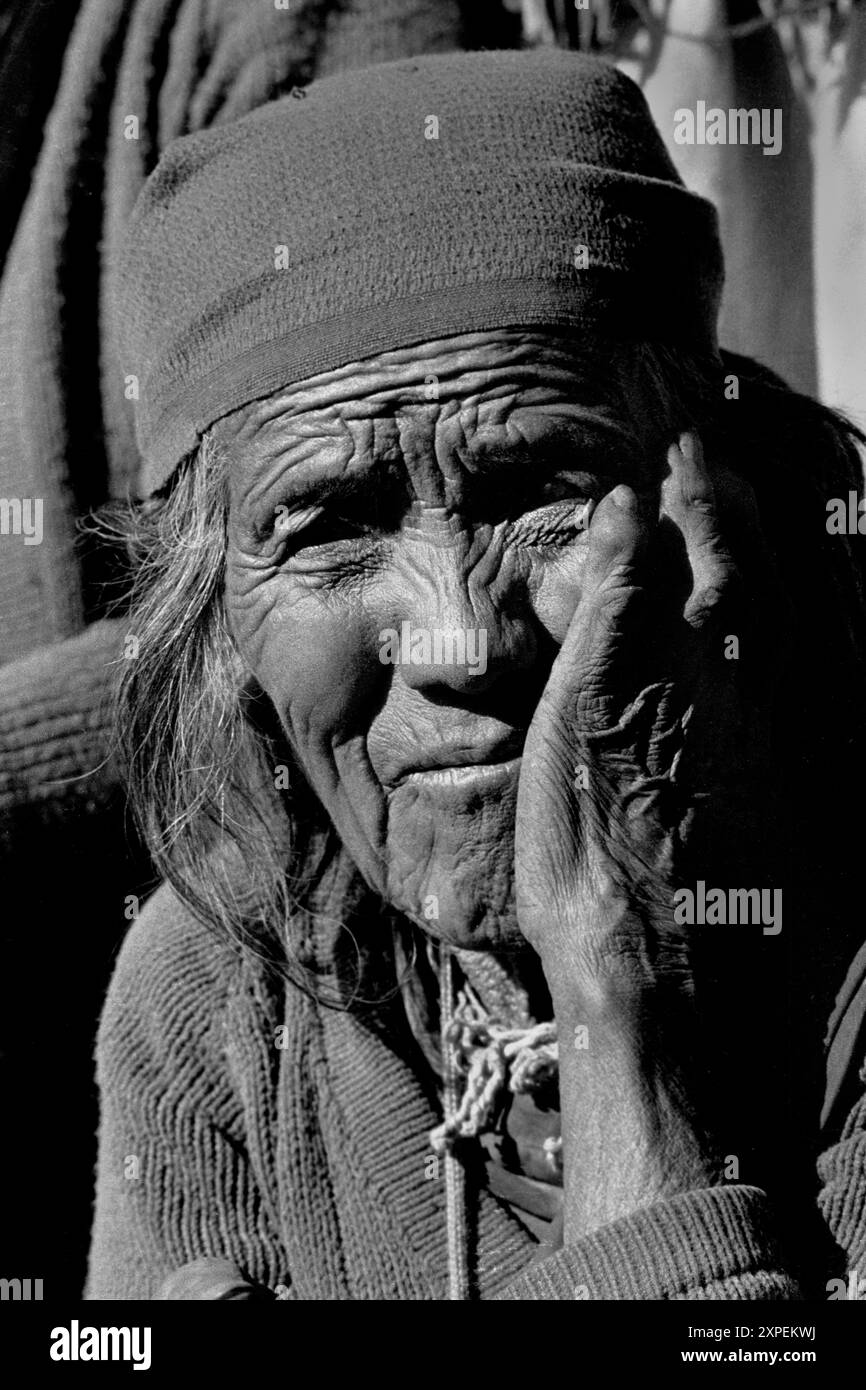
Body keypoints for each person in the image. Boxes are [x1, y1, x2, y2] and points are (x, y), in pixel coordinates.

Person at [86, 48, 866, 1301]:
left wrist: (612, 983)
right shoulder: (219, 988)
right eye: (331, 526)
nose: (456, 639)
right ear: (215, 618)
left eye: (539, 493)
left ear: (715, 501)